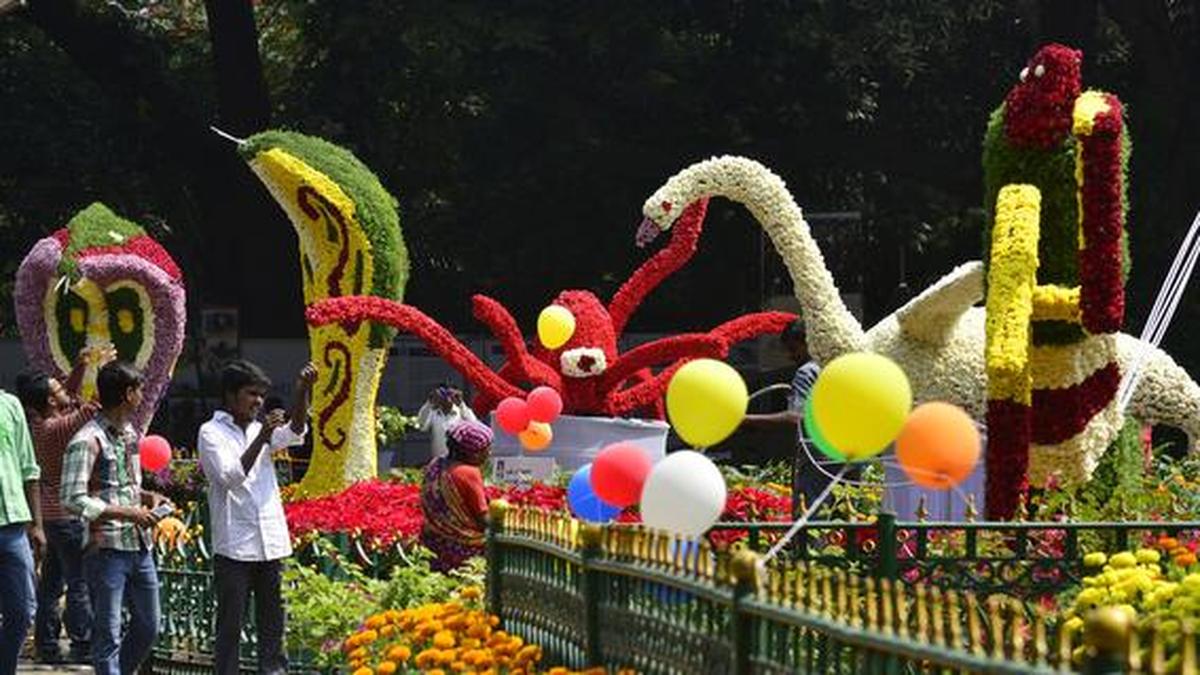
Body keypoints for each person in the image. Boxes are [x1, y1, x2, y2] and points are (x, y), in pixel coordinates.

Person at [198, 360, 316, 675]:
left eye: (262, 395)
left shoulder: (258, 428)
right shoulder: (210, 432)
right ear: (230, 394)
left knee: (274, 627)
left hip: (272, 543)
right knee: (230, 628)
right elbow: (229, 477)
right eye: (252, 394)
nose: (258, 402)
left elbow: (295, 433)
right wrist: (263, 436)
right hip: (234, 547)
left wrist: (302, 391)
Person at [60, 361, 166, 675]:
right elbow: (71, 498)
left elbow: (125, 487)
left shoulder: (130, 434)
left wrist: (148, 498)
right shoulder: (86, 440)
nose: (142, 396)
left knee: (149, 626)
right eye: (139, 390)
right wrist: (127, 513)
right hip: (105, 548)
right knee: (108, 633)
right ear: (127, 394)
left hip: (139, 545)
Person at [16, 345, 114, 664]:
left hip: (50, 516)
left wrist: (80, 365)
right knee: (78, 583)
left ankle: (46, 645)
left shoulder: (40, 424)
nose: (63, 389)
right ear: (49, 401)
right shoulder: (58, 428)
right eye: (56, 389)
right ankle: (82, 644)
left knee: (50, 585)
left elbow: (68, 395)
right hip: (69, 516)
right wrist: (102, 368)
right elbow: (94, 406)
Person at [740, 318, 844, 508]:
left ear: (808, 343)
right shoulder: (839, 366)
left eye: (793, 349)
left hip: (819, 458)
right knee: (848, 514)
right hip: (850, 454)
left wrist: (744, 419)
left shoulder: (807, 372)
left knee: (812, 514)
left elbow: (796, 417)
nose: (790, 356)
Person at [0, 379, 44, 675]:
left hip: (14, 525)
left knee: (23, 610)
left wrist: (37, 525)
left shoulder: (10, 404)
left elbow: (29, 468)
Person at [420, 420, 493, 571]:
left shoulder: (435, 465)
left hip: (433, 546)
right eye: (486, 449)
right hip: (464, 550)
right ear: (473, 452)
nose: (489, 454)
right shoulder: (468, 473)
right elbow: (483, 518)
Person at [416, 384, 477, 461]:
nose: (447, 397)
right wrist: (429, 402)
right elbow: (421, 426)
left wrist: (461, 404)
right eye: (443, 394)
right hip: (438, 459)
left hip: (458, 460)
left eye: (449, 394)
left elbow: (474, 426)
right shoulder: (433, 413)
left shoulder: (461, 412)